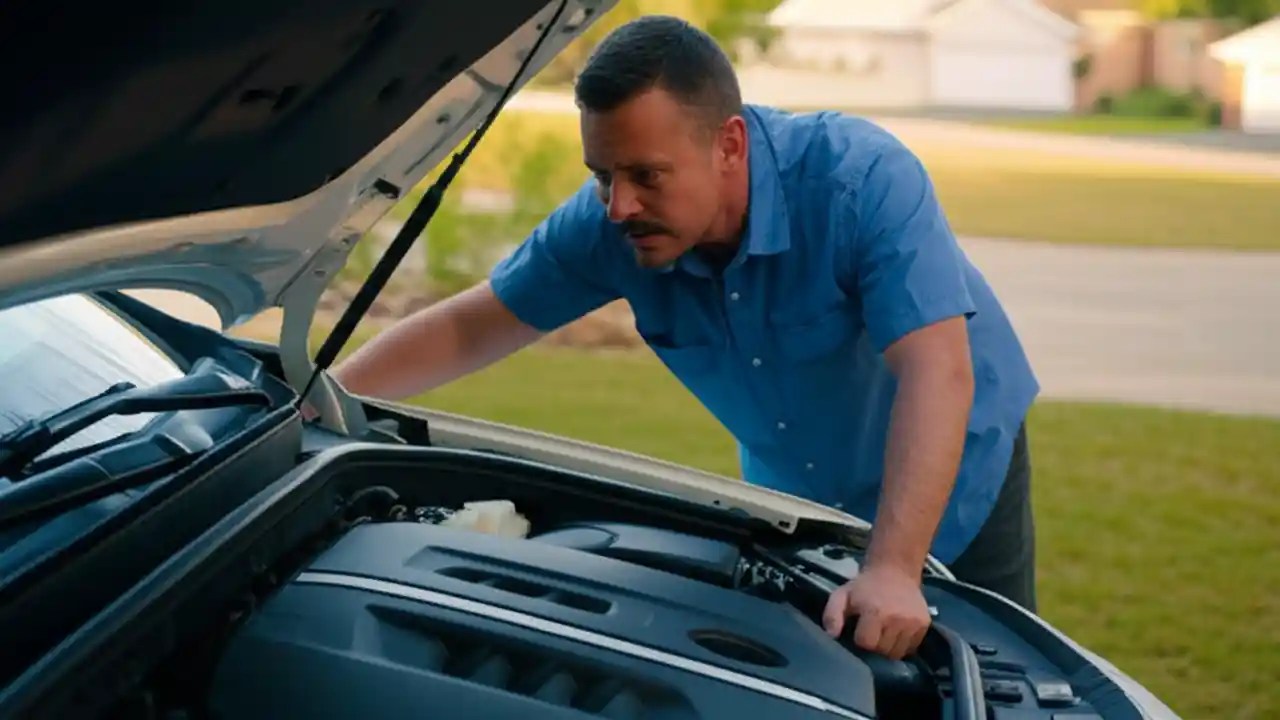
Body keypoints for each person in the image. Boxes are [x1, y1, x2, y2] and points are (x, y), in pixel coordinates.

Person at [328, 15, 1040, 661]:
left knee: (984, 686)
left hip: (953, 477)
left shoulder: (859, 181)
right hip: (799, 503)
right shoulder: (613, 224)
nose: (620, 204)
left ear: (728, 144)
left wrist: (893, 567)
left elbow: (937, 373)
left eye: (646, 175)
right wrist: (325, 399)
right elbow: (469, 325)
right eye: (602, 175)